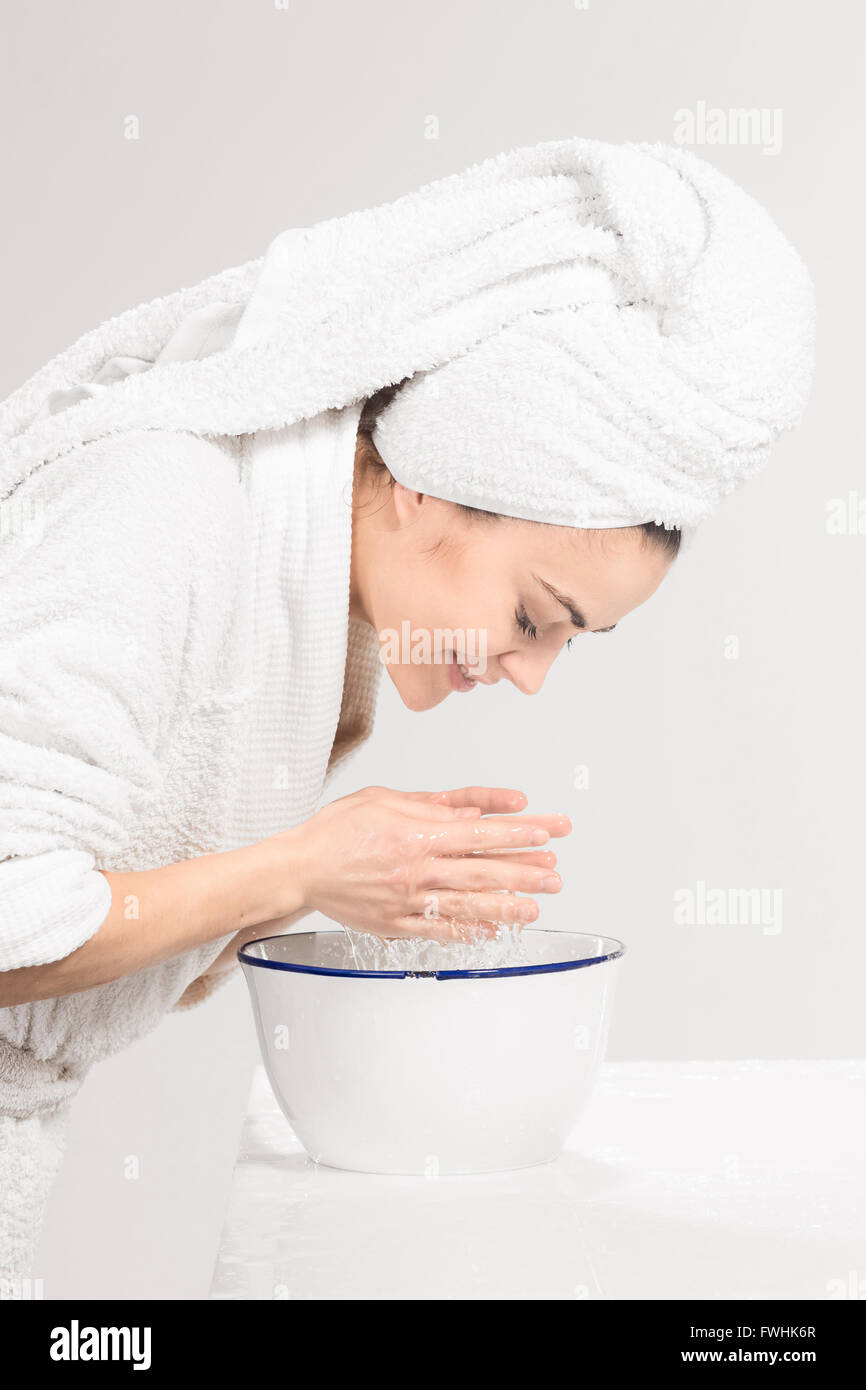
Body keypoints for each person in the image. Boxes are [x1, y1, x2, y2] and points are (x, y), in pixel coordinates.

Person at [0, 135, 815, 1287]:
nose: (531, 674)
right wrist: (296, 871)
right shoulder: (159, 512)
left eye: (571, 644)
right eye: (537, 615)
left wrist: (359, 890)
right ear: (433, 476)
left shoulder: (299, 604)